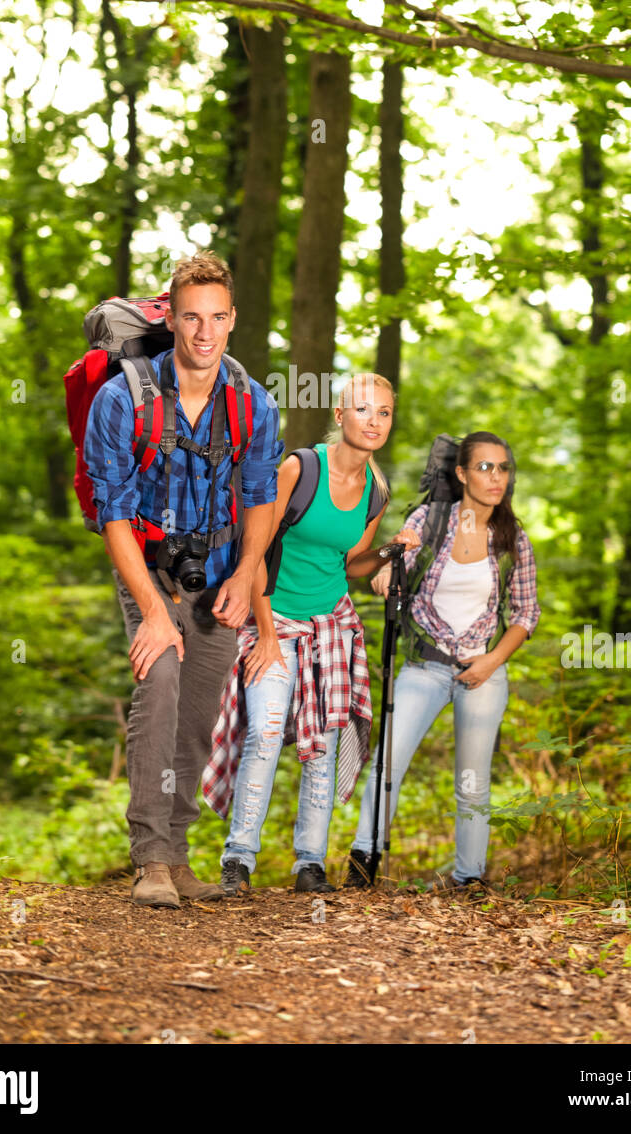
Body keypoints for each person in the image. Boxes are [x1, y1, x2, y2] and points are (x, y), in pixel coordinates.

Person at [84, 252, 282, 908]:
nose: (204, 332)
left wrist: (248, 572)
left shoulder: (253, 404)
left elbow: (259, 498)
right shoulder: (122, 399)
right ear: (169, 317)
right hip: (147, 565)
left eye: (217, 318)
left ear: (233, 320)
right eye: (190, 317)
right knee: (161, 679)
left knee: (200, 714)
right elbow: (112, 514)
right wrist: (154, 608)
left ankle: (180, 849)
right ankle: (150, 861)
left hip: (223, 570)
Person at [203, 374, 420, 894]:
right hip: (272, 616)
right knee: (267, 732)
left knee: (321, 743)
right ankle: (238, 861)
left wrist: (393, 550)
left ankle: (310, 864)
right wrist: (267, 634)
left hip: (330, 626)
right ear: (340, 415)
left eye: (385, 413)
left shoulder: (377, 491)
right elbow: (255, 547)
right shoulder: (300, 469)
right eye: (364, 409)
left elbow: (349, 564)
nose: (375, 421)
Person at [345, 431, 540, 891]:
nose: (496, 477)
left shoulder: (513, 538)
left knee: (473, 781)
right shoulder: (430, 521)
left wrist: (491, 662)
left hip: (483, 672)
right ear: (461, 473)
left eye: (503, 468)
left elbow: (526, 612)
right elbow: (393, 563)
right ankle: (361, 868)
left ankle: (467, 878)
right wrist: (391, 566)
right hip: (425, 665)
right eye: (484, 467)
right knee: (387, 764)